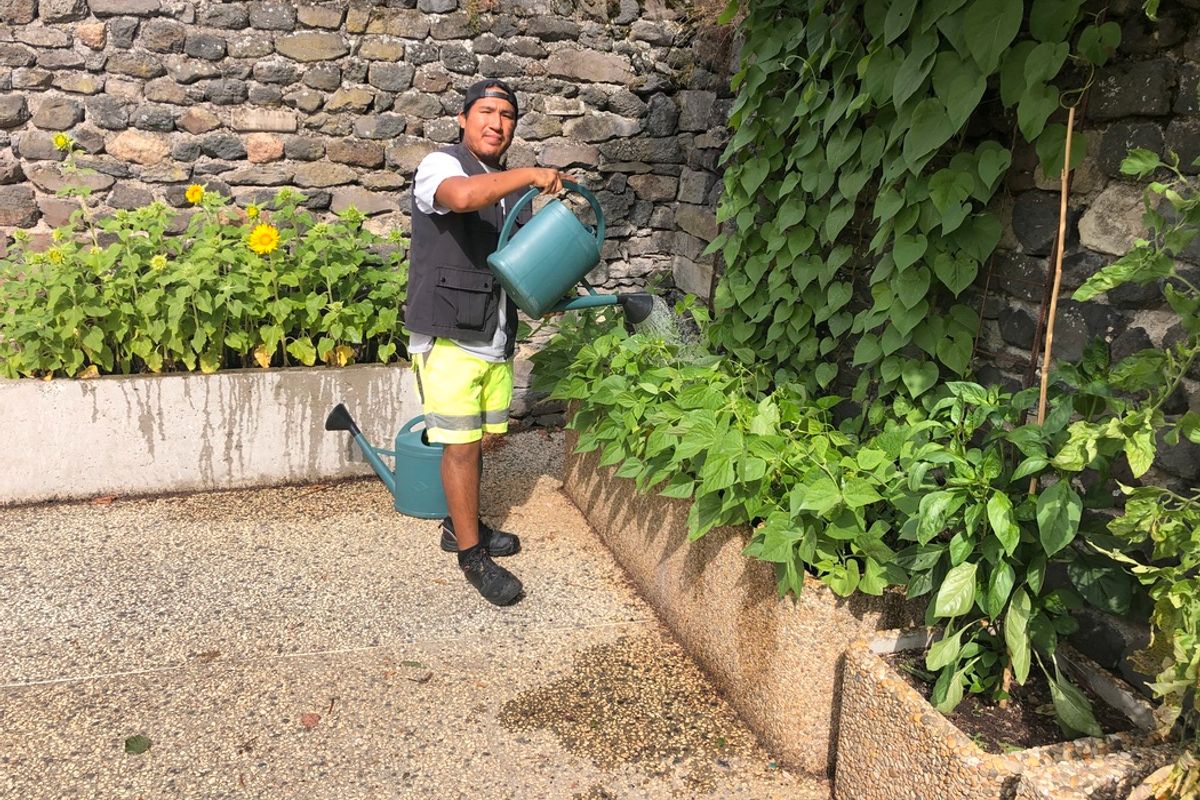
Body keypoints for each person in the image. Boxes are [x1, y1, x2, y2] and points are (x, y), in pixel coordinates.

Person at [405, 79, 565, 606]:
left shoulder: (513, 190)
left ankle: (462, 525)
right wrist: (533, 174)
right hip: (451, 337)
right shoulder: (440, 165)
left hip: (494, 332)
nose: (497, 124)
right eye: (487, 112)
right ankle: (472, 557)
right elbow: (463, 198)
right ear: (463, 117)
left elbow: (524, 259)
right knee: (461, 445)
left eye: (507, 117)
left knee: (483, 439)